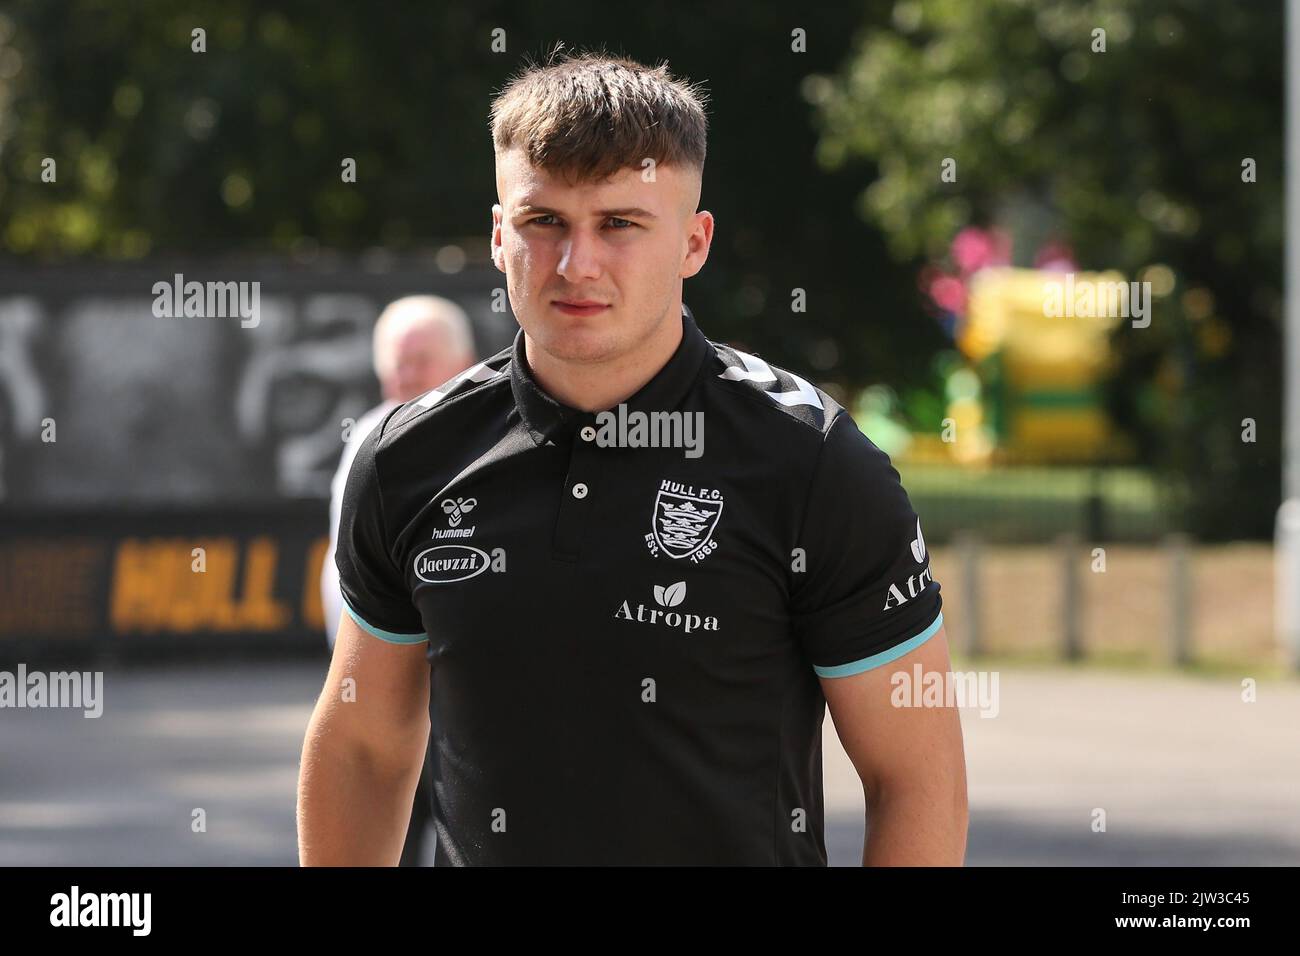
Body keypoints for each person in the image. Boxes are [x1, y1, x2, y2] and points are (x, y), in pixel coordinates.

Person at [298, 50, 967, 866]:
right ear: (500, 234)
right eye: (545, 222)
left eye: (619, 223)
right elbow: (363, 749)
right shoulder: (409, 457)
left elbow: (917, 777)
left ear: (693, 243)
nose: (578, 264)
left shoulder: (813, 461)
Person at [319, 294, 475, 866]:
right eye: (395, 360)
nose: (405, 373)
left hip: (458, 689)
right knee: (386, 832)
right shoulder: (370, 438)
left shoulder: (491, 439)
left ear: (462, 360)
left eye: (421, 359)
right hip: (373, 673)